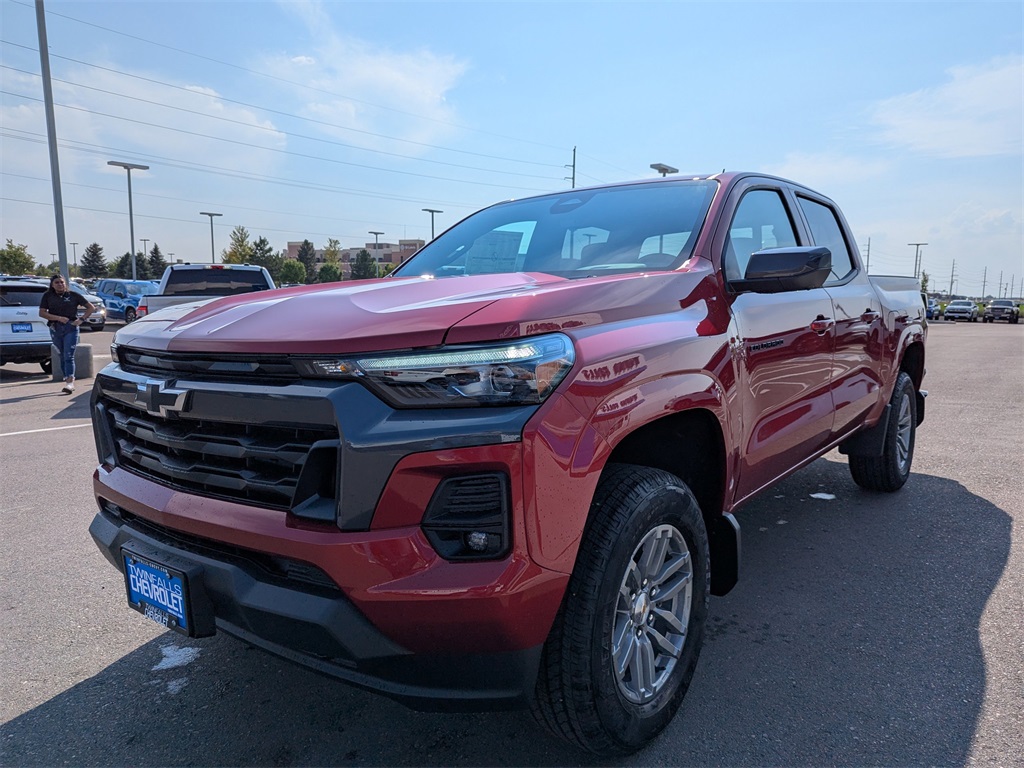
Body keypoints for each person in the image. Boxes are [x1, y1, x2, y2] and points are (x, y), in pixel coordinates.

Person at [38, 274, 93, 393]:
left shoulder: (73, 295)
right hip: (55, 327)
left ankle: (70, 382)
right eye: (57, 282)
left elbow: (90, 307)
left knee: (69, 355)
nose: (60, 284)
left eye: (62, 282)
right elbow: (42, 313)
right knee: (61, 354)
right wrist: (57, 318)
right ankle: (66, 377)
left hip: (71, 327)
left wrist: (81, 319)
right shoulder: (48, 296)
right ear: (52, 285)